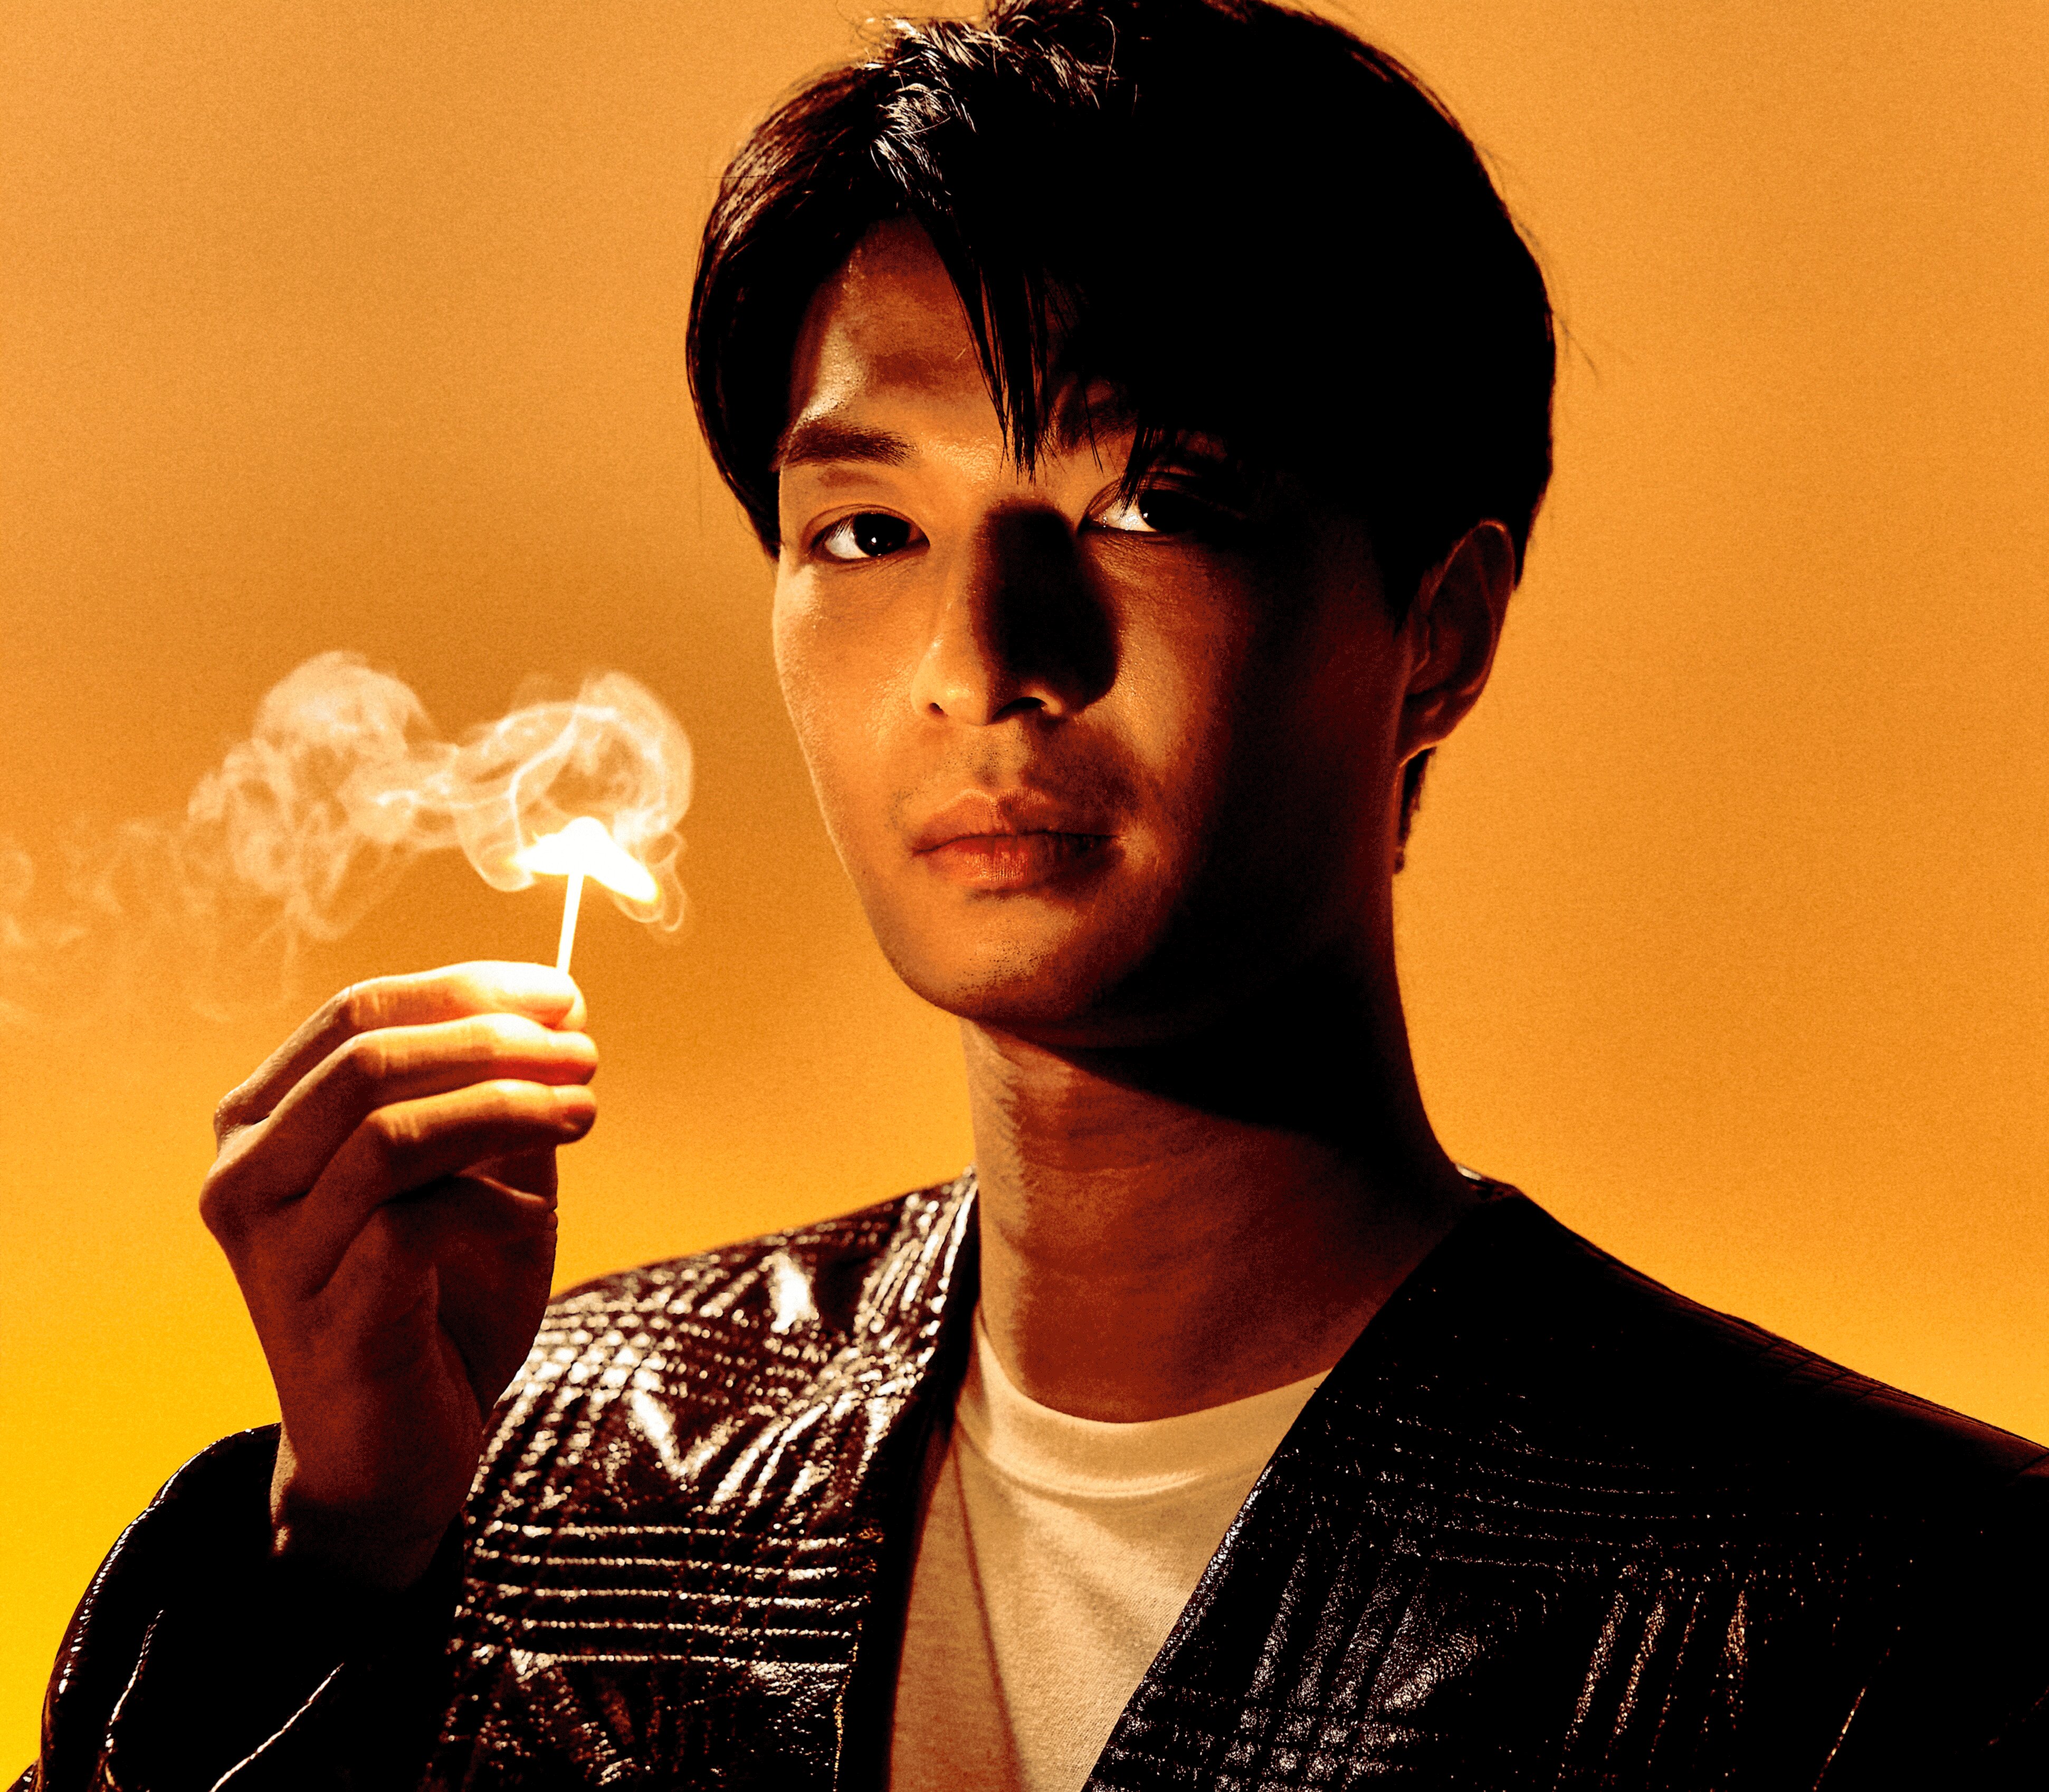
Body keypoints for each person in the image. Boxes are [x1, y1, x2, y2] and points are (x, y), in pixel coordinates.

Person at [22, 0, 2049, 1785]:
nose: (983, 656)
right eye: (867, 528)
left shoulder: (1898, 1613)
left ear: (1437, 628)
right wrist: (345, 1560)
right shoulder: (541, 1469)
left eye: (1150, 501)